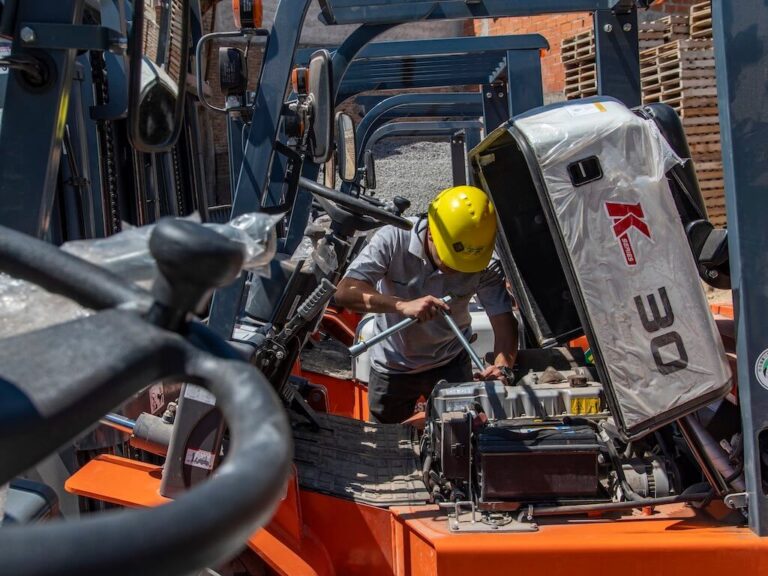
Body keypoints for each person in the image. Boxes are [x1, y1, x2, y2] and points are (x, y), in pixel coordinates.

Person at [335, 185, 518, 424]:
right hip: (393, 367)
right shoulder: (393, 238)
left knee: (462, 441)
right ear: (431, 232)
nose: (457, 270)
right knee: (383, 444)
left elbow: (503, 319)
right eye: (451, 261)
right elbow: (345, 292)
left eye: (465, 265)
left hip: (451, 361)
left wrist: (503, 367)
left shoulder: (482, 258)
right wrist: (401, 305)